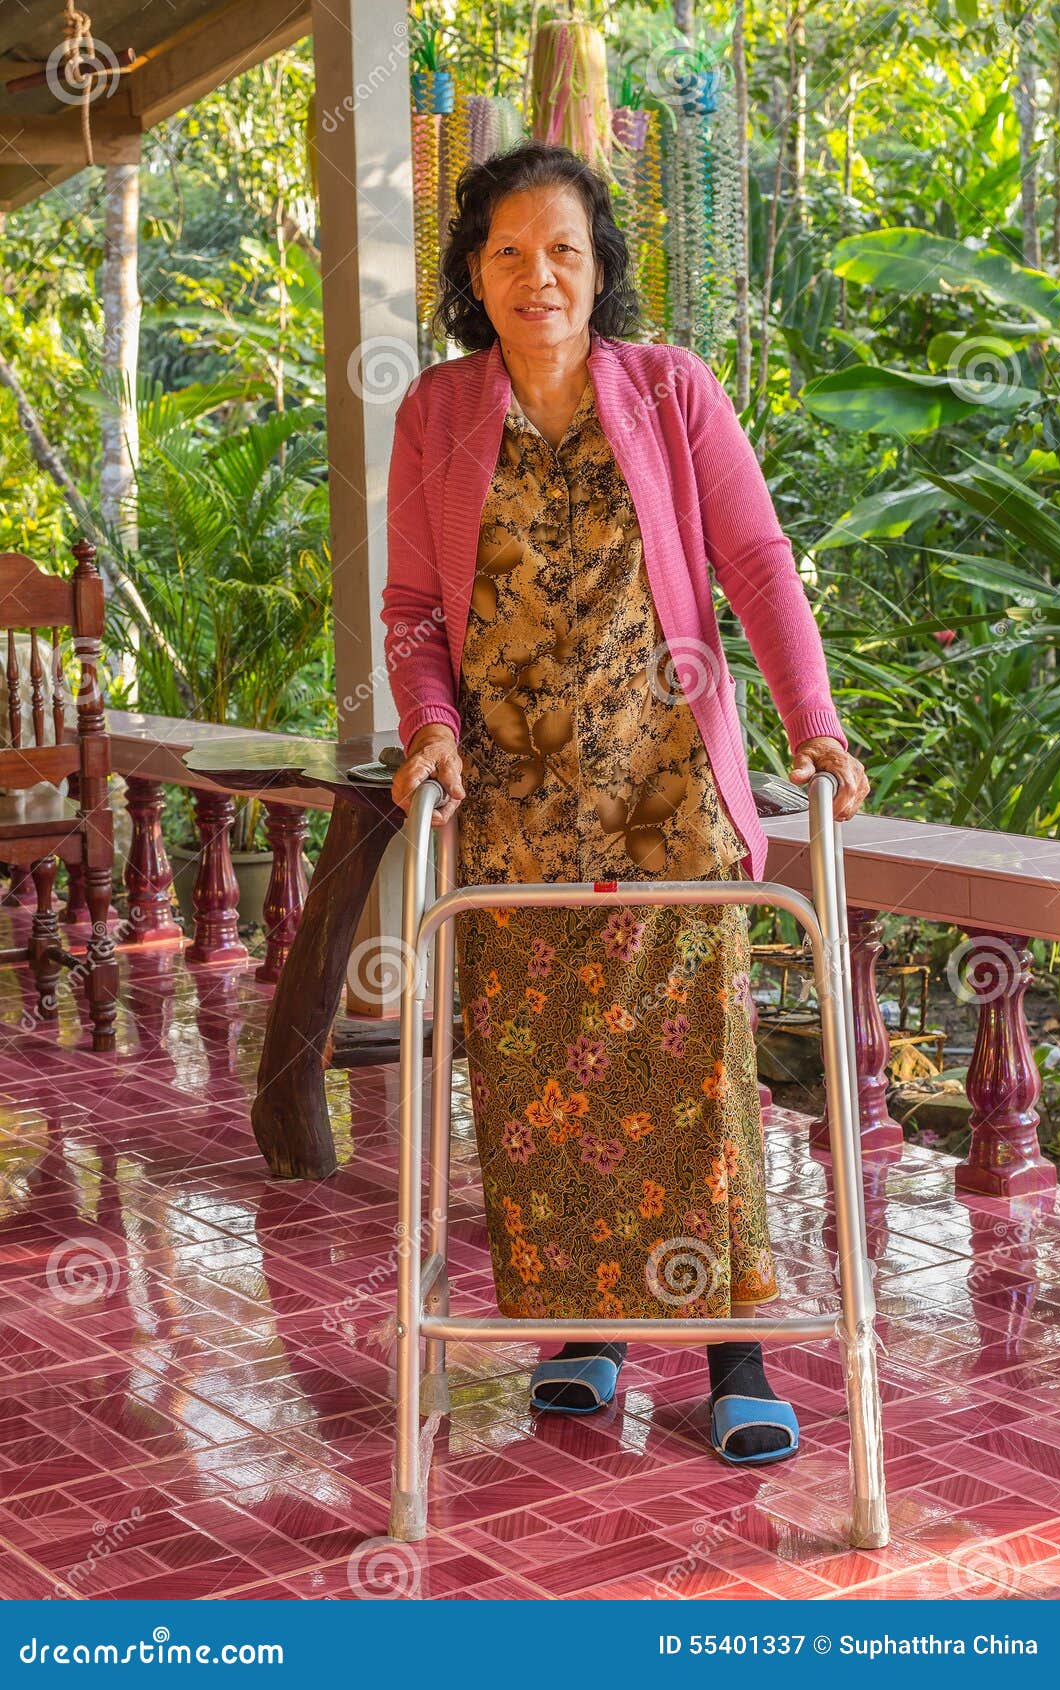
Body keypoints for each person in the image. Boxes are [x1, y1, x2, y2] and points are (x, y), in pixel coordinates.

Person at [382, 140, 870, 1466]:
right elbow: (414, 616)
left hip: (665, 792)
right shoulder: (433, 411)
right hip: (516, 808)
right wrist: (428, 725)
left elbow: (759, 562)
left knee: (693, 1078)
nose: (538, 275)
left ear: (600, 272)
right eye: (508, 253)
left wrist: (814, 724)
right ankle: (583, 1332)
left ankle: (734, 1358)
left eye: (564, 252)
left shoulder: (669, 392)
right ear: (470, 276)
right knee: (539, 1092)